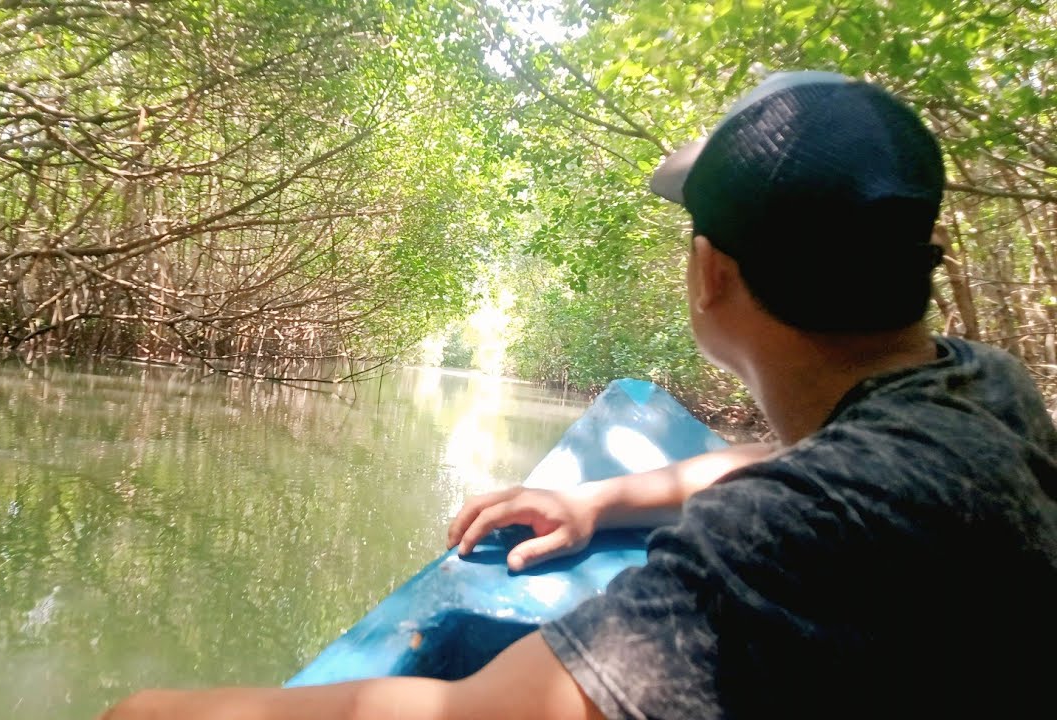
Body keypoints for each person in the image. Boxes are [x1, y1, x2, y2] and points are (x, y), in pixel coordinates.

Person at [100, 71, 1057, 720]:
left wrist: (149, 711)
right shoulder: (983, 392)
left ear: (708, 274)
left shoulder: (795, 535)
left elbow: (479, 716)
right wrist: (595, 499)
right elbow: (799, 466)